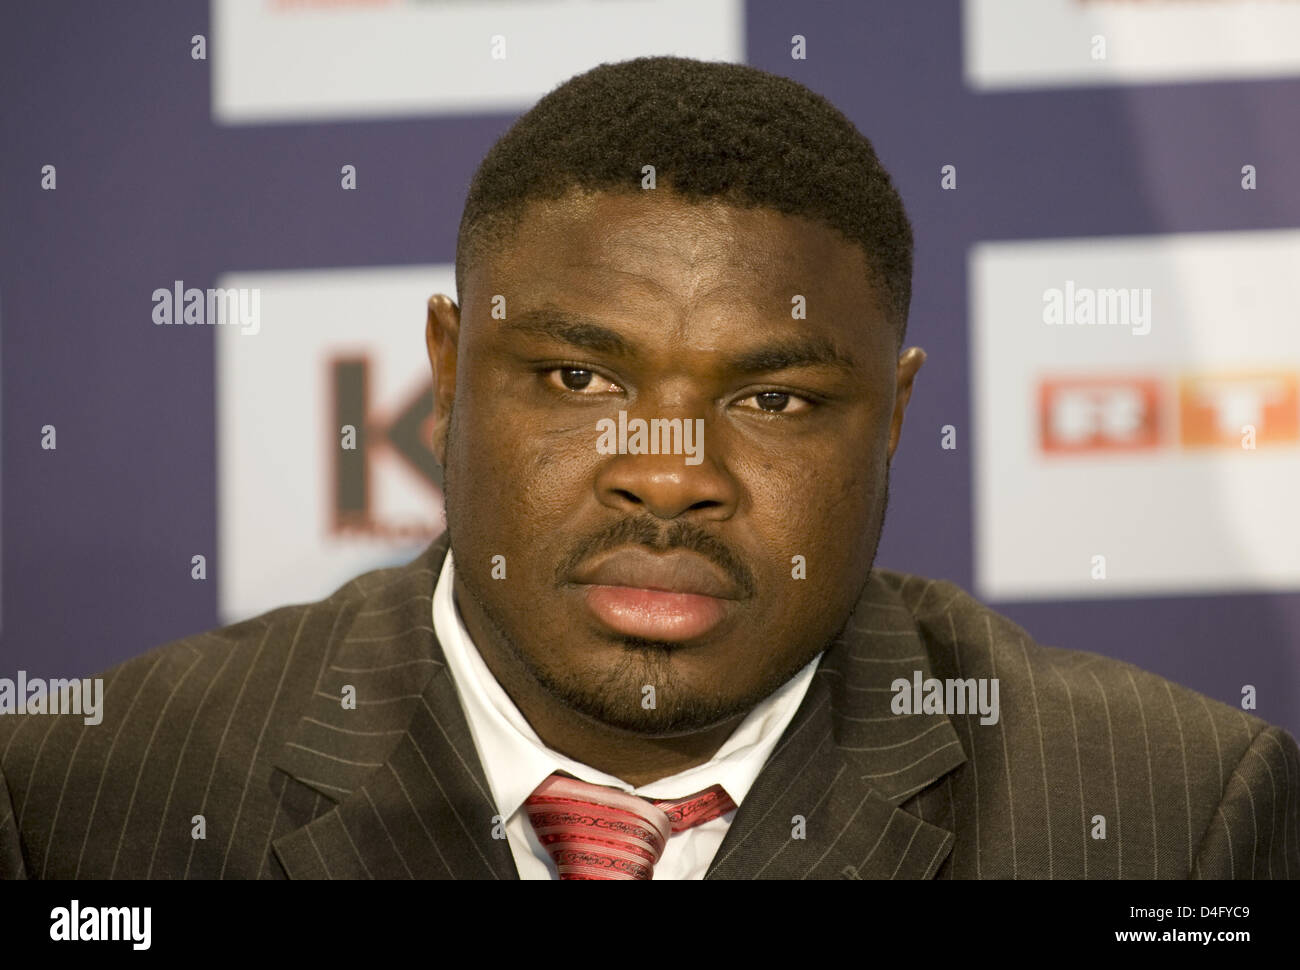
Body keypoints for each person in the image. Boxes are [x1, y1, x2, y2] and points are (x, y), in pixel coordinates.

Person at [1, 56, 1295, 881]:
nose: (670, 476)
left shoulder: (1175, 813)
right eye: (582, 379)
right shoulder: (79, 803)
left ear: (895, 418)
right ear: (447, 379)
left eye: (774, 395)